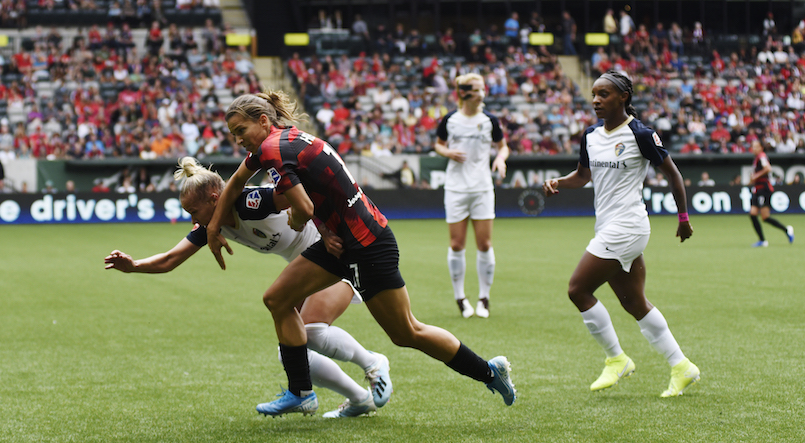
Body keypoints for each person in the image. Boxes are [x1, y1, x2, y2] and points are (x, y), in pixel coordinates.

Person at [206, 92, 516, 417]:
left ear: (263, 121)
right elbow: (238, 181)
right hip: (340, 243)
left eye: (241, 130)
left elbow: (303, 208)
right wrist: (213, 228)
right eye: (233, 134)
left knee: (407, 332)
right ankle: (301, 391)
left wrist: (297, 220)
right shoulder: (281, 142)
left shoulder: (272, 149)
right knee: (278, 299)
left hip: (367, 244)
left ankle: (489, 372)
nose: (238, 140)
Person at [105, 157, 392, 418]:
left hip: (337, 251)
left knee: (312, 330)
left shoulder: (253, 201)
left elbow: (310, 199)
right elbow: (170, 260)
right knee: (291, 351)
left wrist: (327, 232)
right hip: (308, 266)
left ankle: (374, 363)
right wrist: (134, 266)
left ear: (215, 199)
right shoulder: (211, 226)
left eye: (194, 211)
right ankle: (359, 399)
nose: (192, 219)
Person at [542, 70, 699, 398]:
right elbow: (583, 176)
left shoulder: (641, 135)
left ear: (623, 97)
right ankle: (682, 366)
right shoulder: (590, 135)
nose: (596, 100)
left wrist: (683, 217)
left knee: (577, 290)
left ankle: (616, 359)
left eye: (604, 94)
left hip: (629, 226)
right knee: (634, 302)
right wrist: (559, 182)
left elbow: (674, 175)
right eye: (595, 95)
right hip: (608, 226)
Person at [434, 73, 509, 319]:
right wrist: (447, 153)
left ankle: (484, 298)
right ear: (464, 93)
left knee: (484, 244)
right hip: (456, 189)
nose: (483, 93)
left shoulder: (490, 121)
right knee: (457, 244)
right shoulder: (450, 120)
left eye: (483, 88)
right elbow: (438, 144)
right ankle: (460, 298)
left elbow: (502, 146)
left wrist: (500, 158)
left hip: (482, 188)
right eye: (477, 89)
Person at [748, 139, 794, 247]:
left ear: (761, 148)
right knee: (753, 214)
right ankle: (762, 240)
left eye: (755, 147)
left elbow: (768, 168)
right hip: (757, 189)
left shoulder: (762, 156)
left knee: (765, 217)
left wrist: (756, 176)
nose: (753, 149)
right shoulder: (756, 159)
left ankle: (787, 230)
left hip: (764, 189)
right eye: (753, 146)